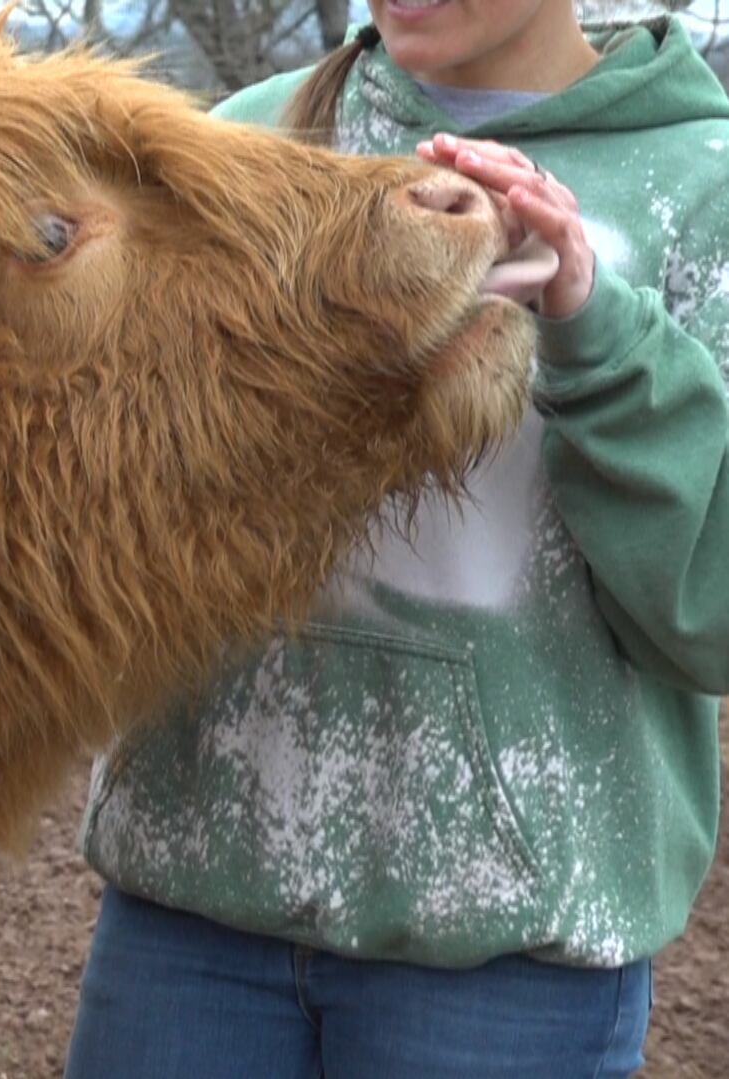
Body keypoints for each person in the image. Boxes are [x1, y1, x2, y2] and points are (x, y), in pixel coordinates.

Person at [64, 4, 729, 1077]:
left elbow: (717, 617)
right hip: (187, 923)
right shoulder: (245, 139)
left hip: (506, 970)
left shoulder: (704, 188)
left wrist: (598, 334)